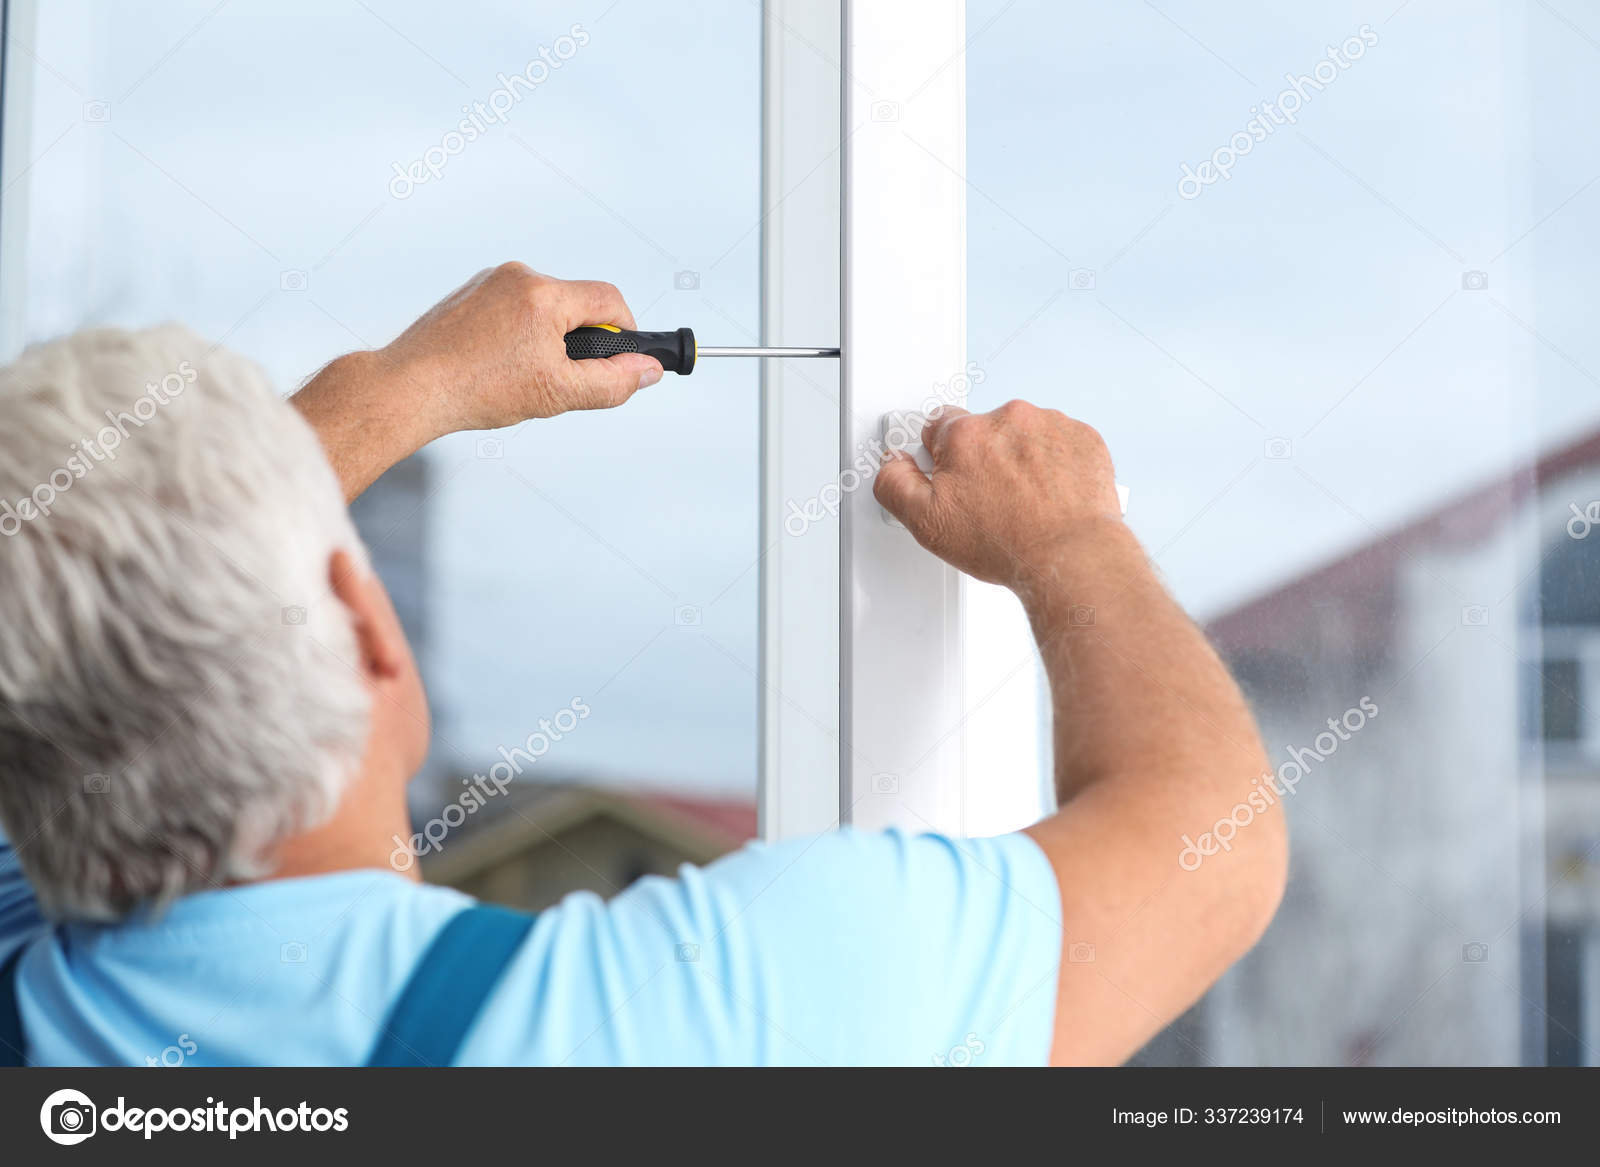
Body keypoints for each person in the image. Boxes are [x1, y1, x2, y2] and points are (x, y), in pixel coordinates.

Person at [0, 263, 1285, 1066]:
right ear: (361, 622)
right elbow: (1208, 846)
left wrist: (394, 389)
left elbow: (76, 610)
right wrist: (1071, 536)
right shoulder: (674, 1026)